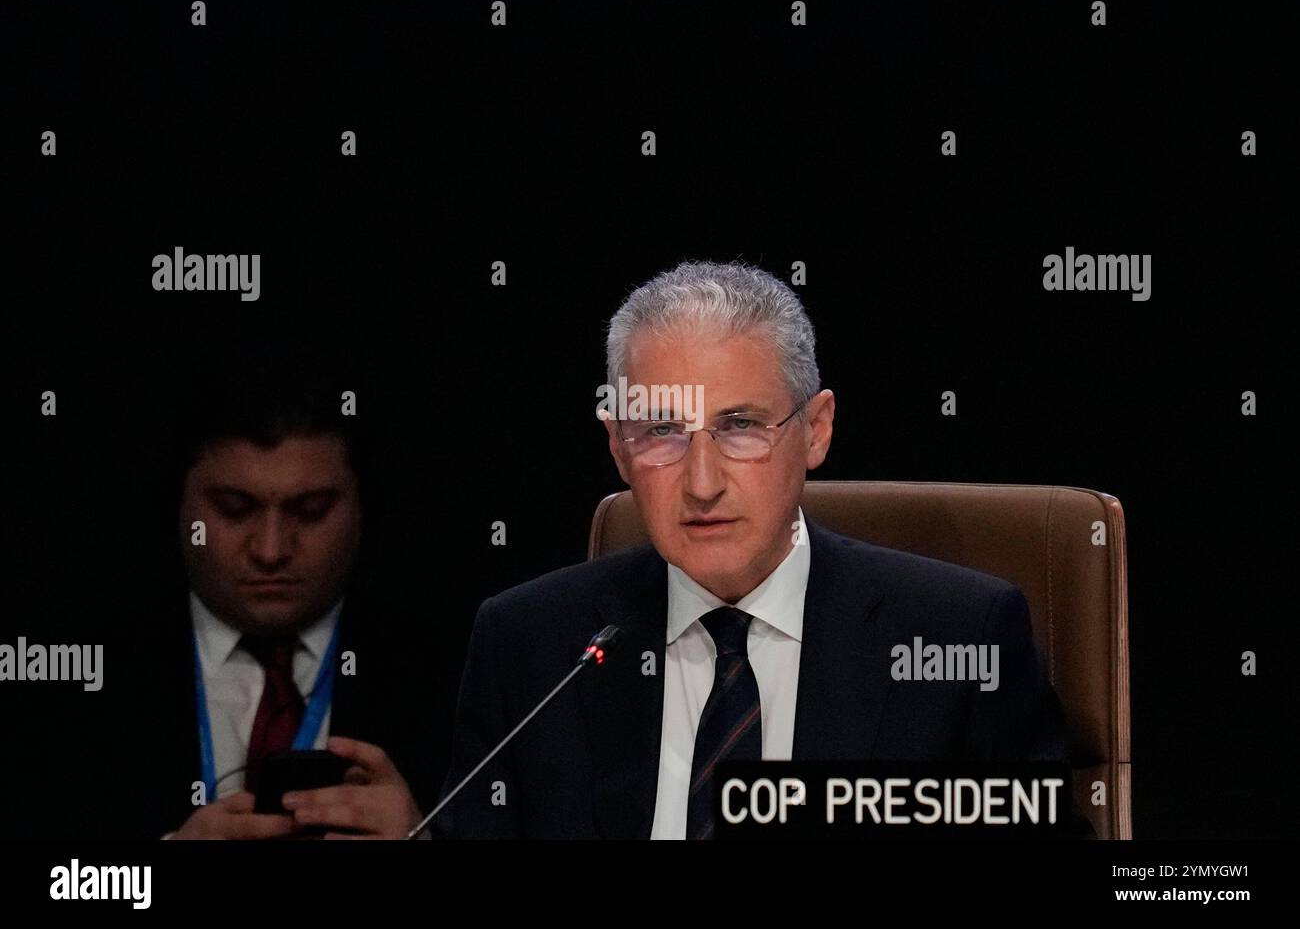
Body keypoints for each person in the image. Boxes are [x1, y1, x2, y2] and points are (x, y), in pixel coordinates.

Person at [438, 260, 1082, 839]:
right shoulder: (529, 648)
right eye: (661, 431)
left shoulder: (957, 637)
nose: (702, 483)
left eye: (740, 426)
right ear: (618, 448)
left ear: (816, 431)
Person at [95, 343, 445, 839]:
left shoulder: (456, 675)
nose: (271, 550)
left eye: (312, 510)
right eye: (235, 508)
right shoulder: (77, 675)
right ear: (177, 502)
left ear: (364, 507)